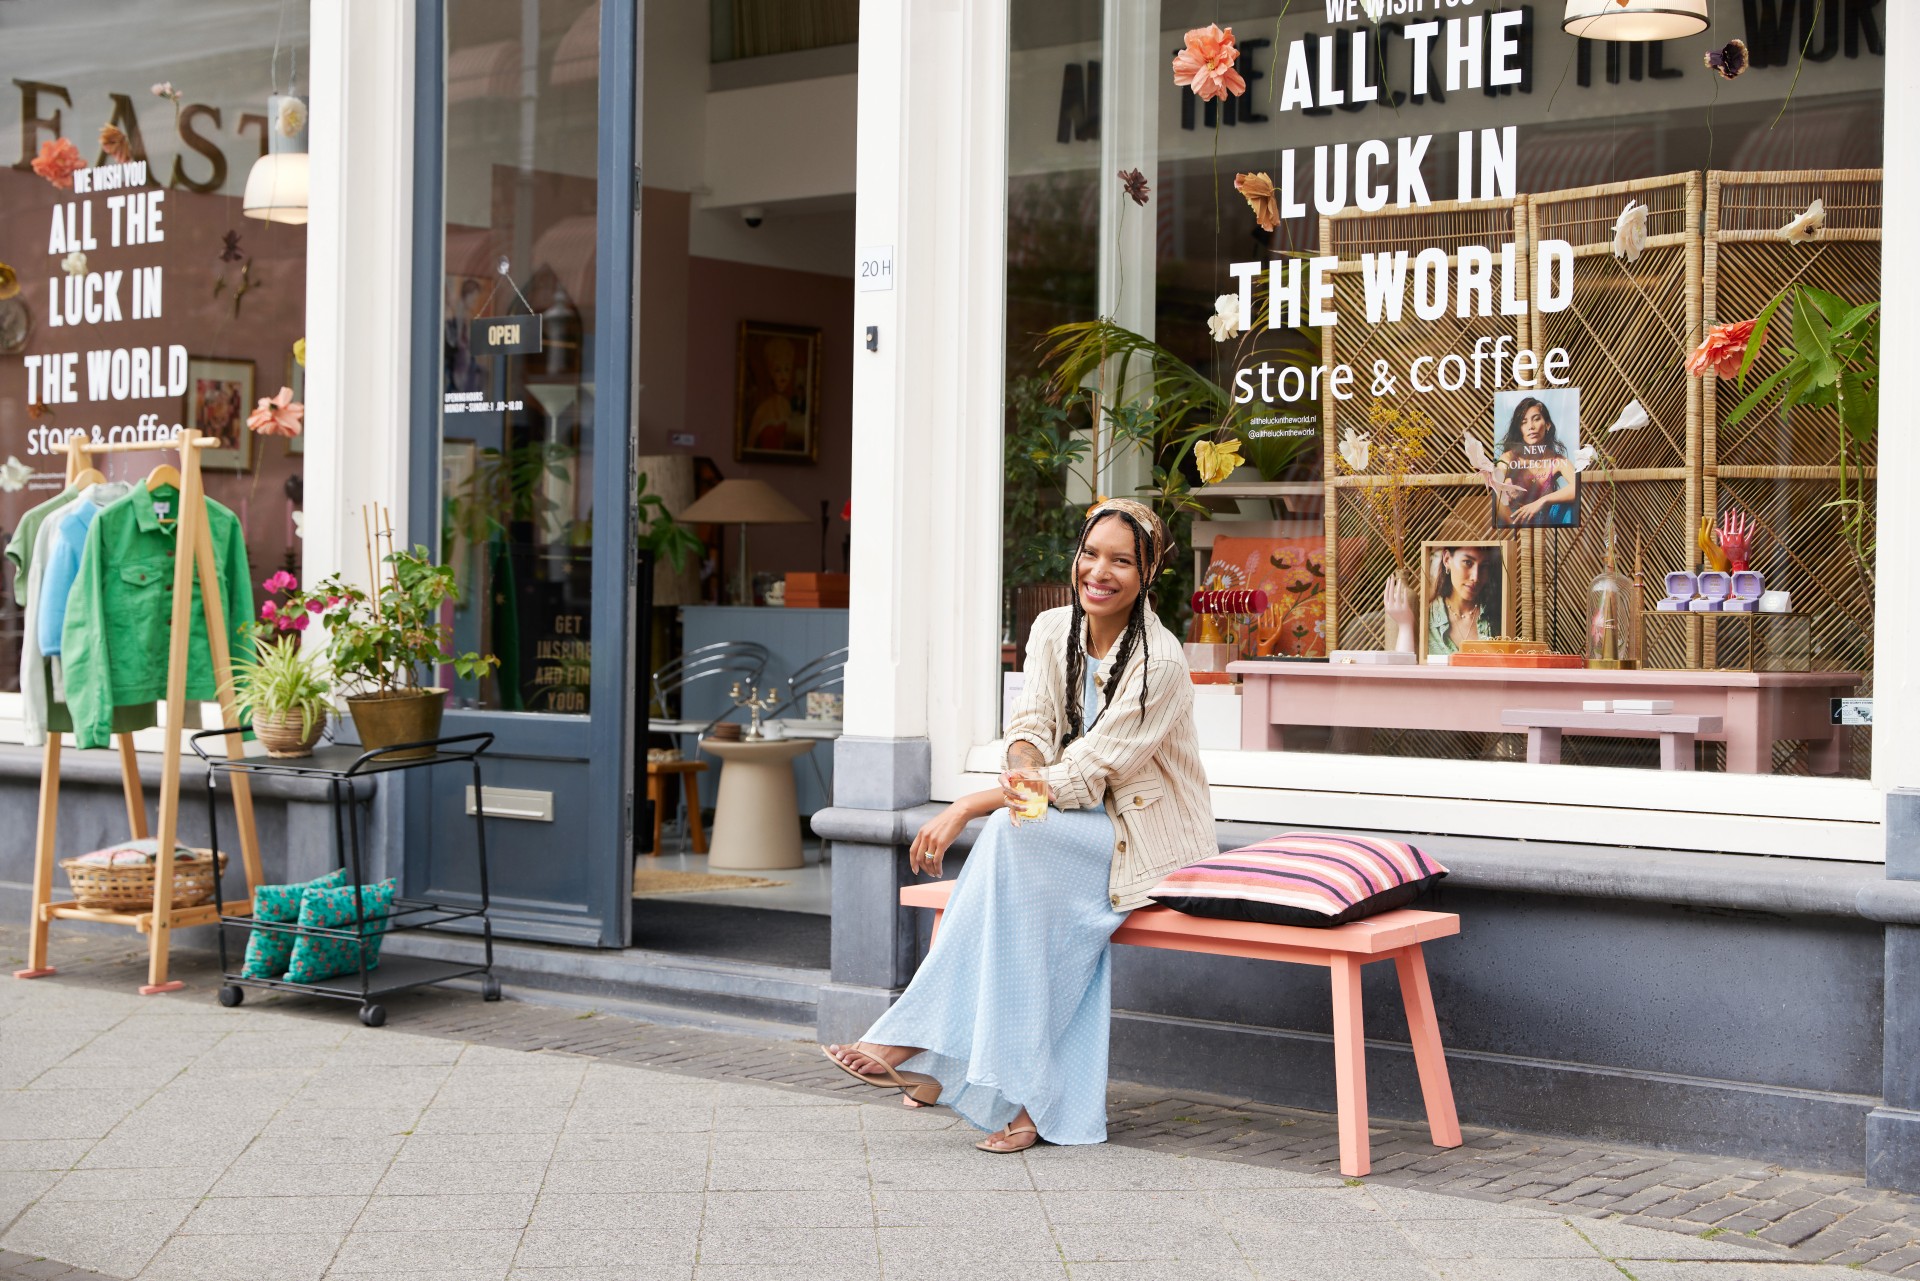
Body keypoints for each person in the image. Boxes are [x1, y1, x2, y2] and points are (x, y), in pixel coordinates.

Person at [822, 498, 1215, 1152]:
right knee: (1019, 859)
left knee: (1009, 842)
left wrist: (966, 806)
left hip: (1143, 839)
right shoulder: (1052, 629)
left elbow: (1085, 773)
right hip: (1066, 817)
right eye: (1091, 553)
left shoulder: (1162, 662)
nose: (1100, 571)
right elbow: (1031, 729)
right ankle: (975, 1073)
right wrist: (1022, 762)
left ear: (1149, 575)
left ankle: (928, 1044)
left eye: (1122, 560)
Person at [1494, 397, 1577, 527]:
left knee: (1568, 505)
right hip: (1516, 523)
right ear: (1519, 429)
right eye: (1524, 422)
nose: (1531, 427)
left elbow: (1578, 487)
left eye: (1536, 419)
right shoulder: (1509, 458)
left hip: (1547, 525)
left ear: (1547, 425)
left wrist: (1543, 501)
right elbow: (1495, 488)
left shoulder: (1557, 461)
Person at [1424, 545, 1503, 656]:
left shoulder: (1497, 619)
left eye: (1484, 566)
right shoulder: (1425, 618)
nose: (1475, 577)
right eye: (1468, 562)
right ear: (1447, 559)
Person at [750, 337, 803, 451]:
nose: (783, 375)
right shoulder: (762, 409)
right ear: (770, 372)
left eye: (787, 369)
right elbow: (750, 445)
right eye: (778, 370)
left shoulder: (787, 406)